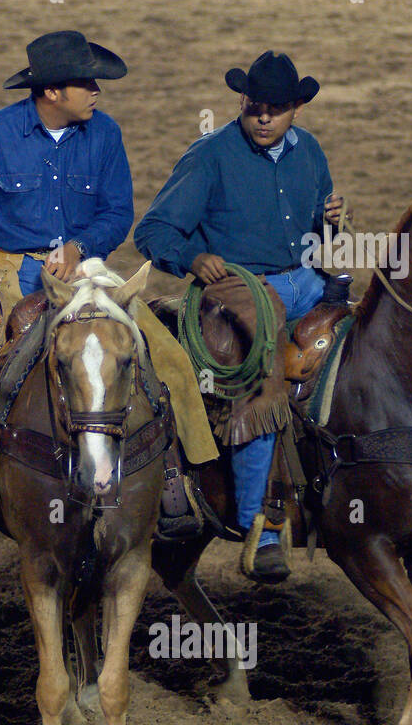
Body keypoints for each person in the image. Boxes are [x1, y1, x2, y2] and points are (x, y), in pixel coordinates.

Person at [0, 30, 140, 560]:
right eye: (87, 83)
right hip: (3, 273)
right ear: (52, 92)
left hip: (86, 271)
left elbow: (118, 213)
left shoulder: (106, 134)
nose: (97, 91)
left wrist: (81, 246)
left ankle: (173, 487)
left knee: (155, 354)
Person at [133, 50, 346, 581]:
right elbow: (153, 232)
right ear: (243, 104)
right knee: (262, 377)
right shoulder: (209, 156)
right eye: (256, 108)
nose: (265, 117)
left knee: (363, 344)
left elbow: (318, 234)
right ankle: (260, 525)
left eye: (276, 108)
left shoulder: (310, 152)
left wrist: (332, 224)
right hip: (240, 288)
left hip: (305, 278)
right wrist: (191, 259)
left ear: (296, 108)